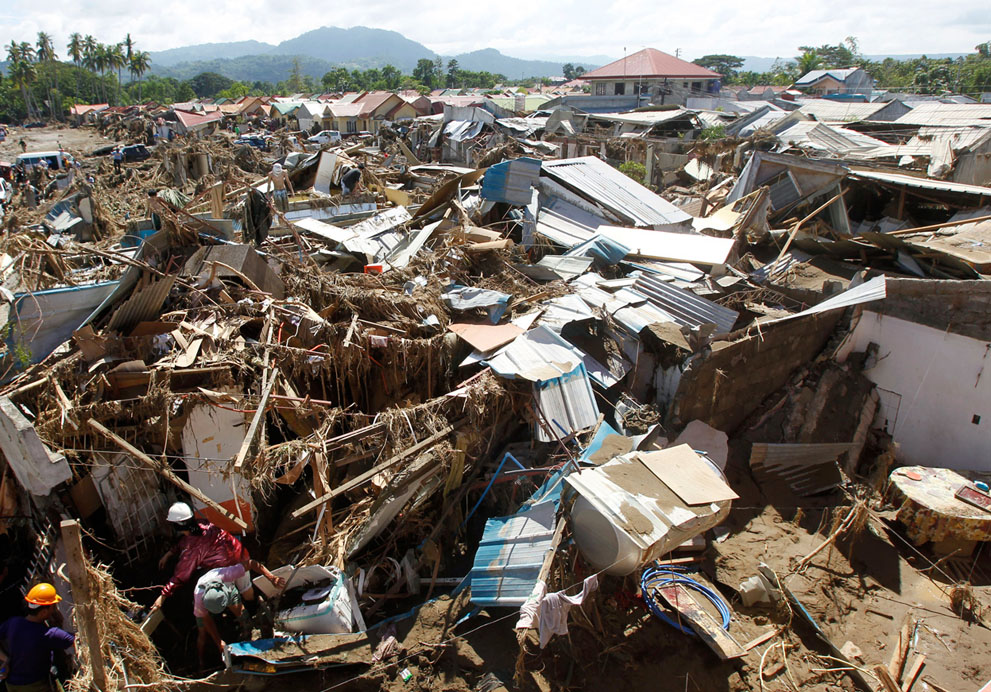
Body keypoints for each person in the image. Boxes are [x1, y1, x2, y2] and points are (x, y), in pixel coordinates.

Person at [151, 502, 255, 612]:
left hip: (225, 567)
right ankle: (254, 608)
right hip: (240, 554)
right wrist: (169, 553)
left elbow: (181, 575)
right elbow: (185, 541)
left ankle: (245, 620)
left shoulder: (194, 548)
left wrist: (162, 597)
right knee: (246, 587)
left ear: (176, 525)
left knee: (229, 596)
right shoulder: (202, 523)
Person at [193, 561, 284, 669]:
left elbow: (251, 563)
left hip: (228, 589)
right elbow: (207, 621)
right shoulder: (199, 598)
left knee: (245, 620)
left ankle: (247, 646)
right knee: (202, 633)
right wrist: (219, 642)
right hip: (209, 599)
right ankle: (200, 664)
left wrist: (272, 578)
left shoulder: (228, 574)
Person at [0, 583, 75, 692]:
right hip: (35, 687)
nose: (55, 609)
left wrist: (4, 659)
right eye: (53, 607)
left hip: (12, 685)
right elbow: (78, 641)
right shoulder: (49, 634)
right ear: (44, 612)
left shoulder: (13, 623)